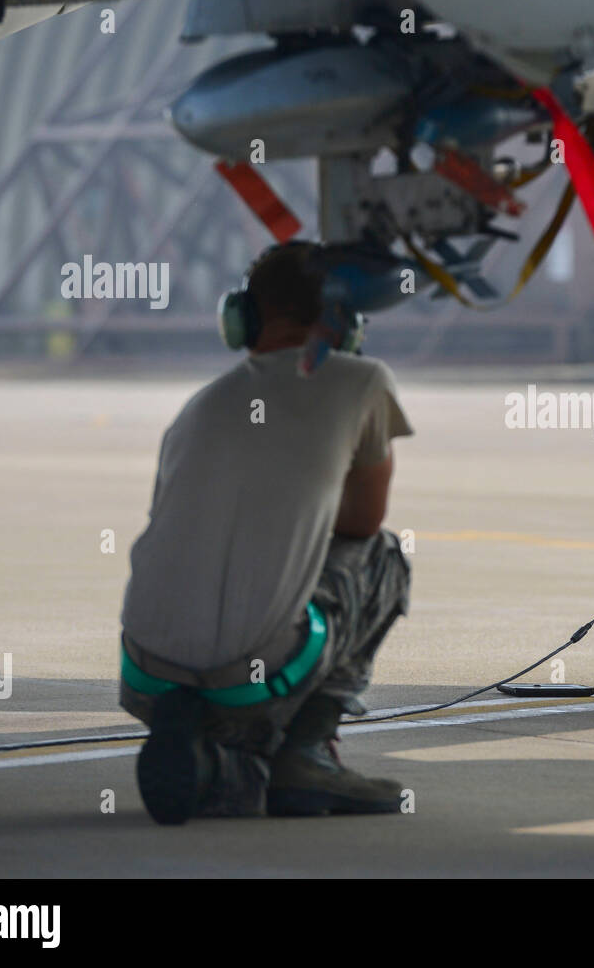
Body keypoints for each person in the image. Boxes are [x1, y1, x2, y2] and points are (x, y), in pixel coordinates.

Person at [118, 240, 414, 824]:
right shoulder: (363, 379)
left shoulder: (200, 405)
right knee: (381, 558)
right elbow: (361, 521)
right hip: (248, 677)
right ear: (342, 322)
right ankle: (304, 755)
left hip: (145, 668)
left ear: (242, 320)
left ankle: (208, 753)